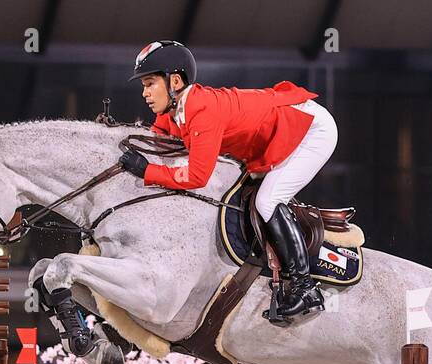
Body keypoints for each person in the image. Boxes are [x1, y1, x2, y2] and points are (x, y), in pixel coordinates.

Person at [121, 40, 338, 327]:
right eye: (144, 86)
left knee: (267, 201)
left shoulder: (202, 111)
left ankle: (305, 289)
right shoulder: (171, 112)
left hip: (311, 130)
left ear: (174, 81)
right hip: (277, 132)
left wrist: (147, 172)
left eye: (150, 84)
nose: (145, 93)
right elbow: (157, 142)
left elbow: (197, 177)